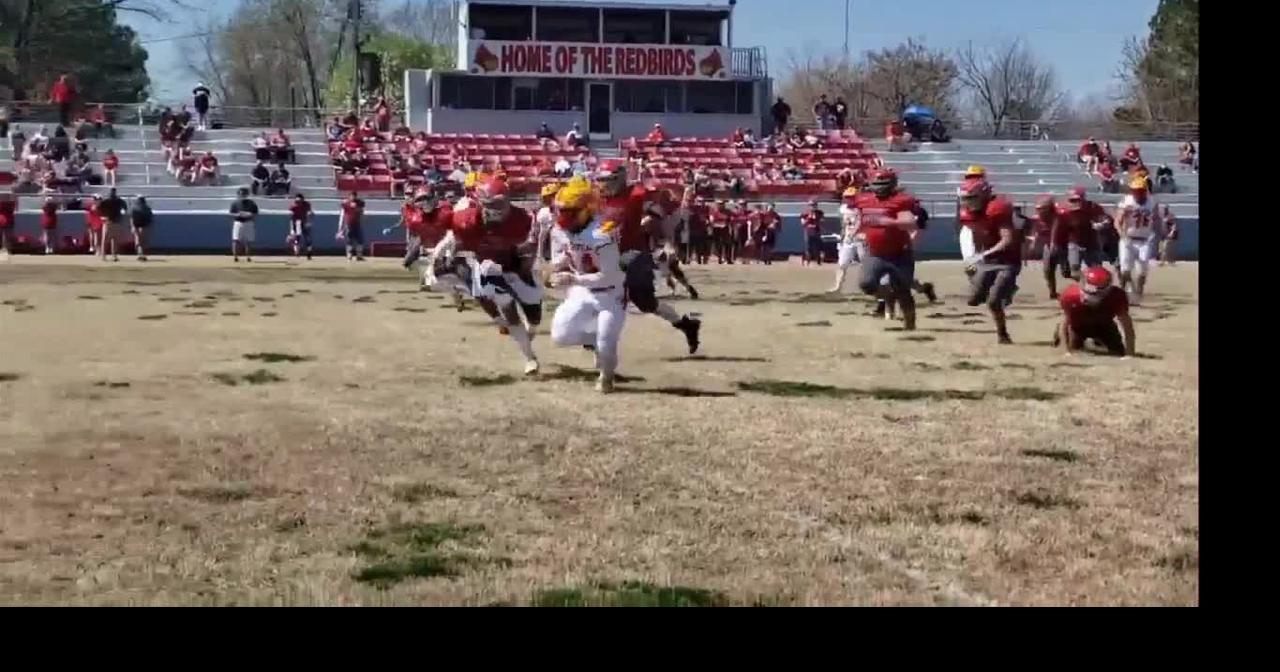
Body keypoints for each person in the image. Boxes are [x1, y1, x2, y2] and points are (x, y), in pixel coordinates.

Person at [426, 175, 543, 375]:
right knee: (509, 312)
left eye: (503, 203)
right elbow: (452, 237)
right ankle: (530, 358)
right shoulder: (465, 221)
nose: (500, 209)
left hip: (516, 266)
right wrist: (442, 258)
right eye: (494, 204)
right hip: (488, 267)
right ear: (480, 203)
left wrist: (521, 268)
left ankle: (530, 327)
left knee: (534, 314)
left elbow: (529, 250)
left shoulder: (521, 219)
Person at [593, 159, 701, 354]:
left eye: (608, 180)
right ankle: (594, 338)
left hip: (634, 254)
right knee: (597, 295)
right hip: (607, 255)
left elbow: (665, 212)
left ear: (620, 179)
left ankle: (686, 325)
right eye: (601, 180)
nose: (603, 185)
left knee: (645, 303)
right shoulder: (598, 199)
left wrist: (660, 233)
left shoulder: (637, 194)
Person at [546, 176, 629, 393]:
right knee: (560, 335)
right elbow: (567, 256)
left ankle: (607, 376)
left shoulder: (601, 234)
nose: (562, 216)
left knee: (606, 344)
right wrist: (556, 268)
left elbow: (608, 276)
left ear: (586, 209)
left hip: (610, 293)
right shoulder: (560, 230)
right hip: (582, 290)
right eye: (560, 210)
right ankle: (596, 340)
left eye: (568, 211)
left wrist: (573, 278)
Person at [850, 169, 921, 331]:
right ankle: (888, 295)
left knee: (903, 290)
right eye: (877, 183)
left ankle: (910, 325)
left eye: (883, 184)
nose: (880, 187)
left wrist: (888, 221)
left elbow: (910, 223)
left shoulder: (901, 201)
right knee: (866, 283)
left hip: (899, 253)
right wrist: (856, 232)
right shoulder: (864, 200)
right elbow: (861, 218)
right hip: (875, 252)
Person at [957, 180, 1021, 344]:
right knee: (974, 299)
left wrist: (984, 253)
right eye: (965, 198)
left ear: (984, 195)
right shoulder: (968, 214)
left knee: (993, 301)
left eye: (972, 197)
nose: (968, 202)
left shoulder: (996, 209)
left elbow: (1007, 239)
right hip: (987, 261)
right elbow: (979, 236)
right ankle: (1006, 291)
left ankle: (1002, 334)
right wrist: (976, 256)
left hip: (1007, 260)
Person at [1054, 267, 1136, 358]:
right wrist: (1066, 351)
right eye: (1090, 293)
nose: (1092, 298)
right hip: (1078, 326)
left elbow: (1126, 324)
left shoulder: (1117, 296)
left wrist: (1129, 353)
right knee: (1075, 349)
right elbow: (1065, 323)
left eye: (1097, 294)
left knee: (1117, 352)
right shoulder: (1070, 295)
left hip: (1104, 325)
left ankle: (1097, 341)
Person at [1114, 175, 1161, 304]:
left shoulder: (1152, 202)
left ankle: (1138, 292)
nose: (1137, 193)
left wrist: (1157, 235)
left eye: (1139, 190)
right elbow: (1117, 221)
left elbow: (1157, 219)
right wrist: (1122, 235)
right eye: (1135, 190)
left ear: (1145, 190)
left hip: (1145, 239)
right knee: (1125, 270)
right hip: (1128, 239)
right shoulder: (1127, 201)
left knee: (1142, 270)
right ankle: (1122, 293)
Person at [1051, 186, 1110, 281]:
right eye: (1072, 200)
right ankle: (1082, 284)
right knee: (1074, 267)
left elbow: (1106, 219)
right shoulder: (1064, 211)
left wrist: (1101, 224)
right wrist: (1054, 243)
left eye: (1078, 200)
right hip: (1074, 241)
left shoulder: (1093, 207)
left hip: (1092, 242)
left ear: (1083, 199)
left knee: (1095, 268)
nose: (1075, 203)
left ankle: (1092, 284)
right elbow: (1057, 228)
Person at [829, 187, 864, 292]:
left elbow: (862, 223)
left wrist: (856, 232)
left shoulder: (861, 208)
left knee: (866, 264)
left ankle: (872, 286)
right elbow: (843, 225)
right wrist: (843, 236)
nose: (848, 199)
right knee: (842, 264)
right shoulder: (843, 208)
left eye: (851, 197)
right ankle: (837, 286)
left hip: (861, 239)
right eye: (847, 197)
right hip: (848, 240)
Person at [229, 187, 258, 262]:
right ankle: (235, 256)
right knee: (236, 239)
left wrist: (249, 215)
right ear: (238, 194)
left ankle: (248, 256)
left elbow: (255, 213)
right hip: (238, 222)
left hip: (248, 222)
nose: (243, 195)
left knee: (249, 240)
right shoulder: (235, 203)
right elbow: (231, 213)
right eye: (241, 193)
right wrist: (238, 215)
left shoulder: (252, 203)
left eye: (244, 193)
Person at [98, 188, 128, 262]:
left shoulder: (108, 201)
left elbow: (99, 208)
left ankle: (107, 255)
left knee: (108, 239)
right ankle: (110, 255)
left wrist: (102, 216)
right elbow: (125, 208)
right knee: (112, 239)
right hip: (113, 221)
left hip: (111, 221)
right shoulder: (117, 201)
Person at [339, 192, 367, 261]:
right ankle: (349, 255)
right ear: (349, 196)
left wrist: (356, 208)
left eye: (354, 196)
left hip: (357, 223)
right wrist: (340, 226)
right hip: (349, 223)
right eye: (351, 196)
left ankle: (359, 255)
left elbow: (362, 212)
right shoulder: (346, 203)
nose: (353, 197)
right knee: (349, 240)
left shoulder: (359, 203)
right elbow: (342, 215)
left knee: (360, 240)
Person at [800, 199, 825, 266]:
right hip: (808, 232)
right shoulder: (804, 213)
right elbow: (803, 223)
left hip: (816, 232)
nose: (812, 207)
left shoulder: (819, 213)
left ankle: (818, 261)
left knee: (817, 247)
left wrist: (817, 220)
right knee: (808, 247)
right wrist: (808, 218)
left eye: (814, 205)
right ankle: (807, 261)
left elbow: (822, 221)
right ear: (808, 206)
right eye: (811, 205)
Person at [130, 195, 153, 261]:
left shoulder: (134, 208)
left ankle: (140, 254)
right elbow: (150, 219)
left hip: (138, 226)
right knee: (142, 241)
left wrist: (132, 226)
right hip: (143, 226)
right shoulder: (147, 208)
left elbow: (132, 218)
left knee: (139, 241)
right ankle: (142, 254)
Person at [0, 191, 16, 256]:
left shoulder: (9, 204)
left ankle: (6, 249)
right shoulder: (11, 204)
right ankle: (7, 250)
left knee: (5, 237)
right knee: (7, 237)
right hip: (7, 221)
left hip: (4, 221)